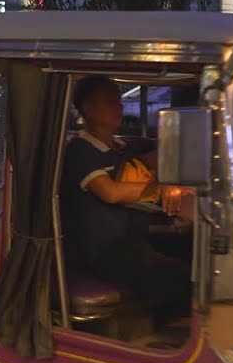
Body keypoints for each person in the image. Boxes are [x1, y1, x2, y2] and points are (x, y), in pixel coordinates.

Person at [59, 76, 192, 324]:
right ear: (88, 109)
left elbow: (151, 160)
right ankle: (169, 331)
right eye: (110, 101)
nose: (119, 107)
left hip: (132, 234)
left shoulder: (119, 146)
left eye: (118, 101)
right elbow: (110, 192)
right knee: (182, 277)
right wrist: (159, 190)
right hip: (105, 249)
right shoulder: (81, 150)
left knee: (195, 250)